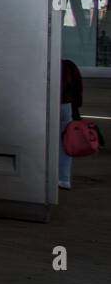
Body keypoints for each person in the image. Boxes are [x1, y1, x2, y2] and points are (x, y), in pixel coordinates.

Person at [59, 59, 84, 190]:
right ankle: (64, 179)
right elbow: (78, 87)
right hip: (66, 106)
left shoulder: (41, 62)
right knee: (65, 143)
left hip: (49, 104)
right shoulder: (68, 65)